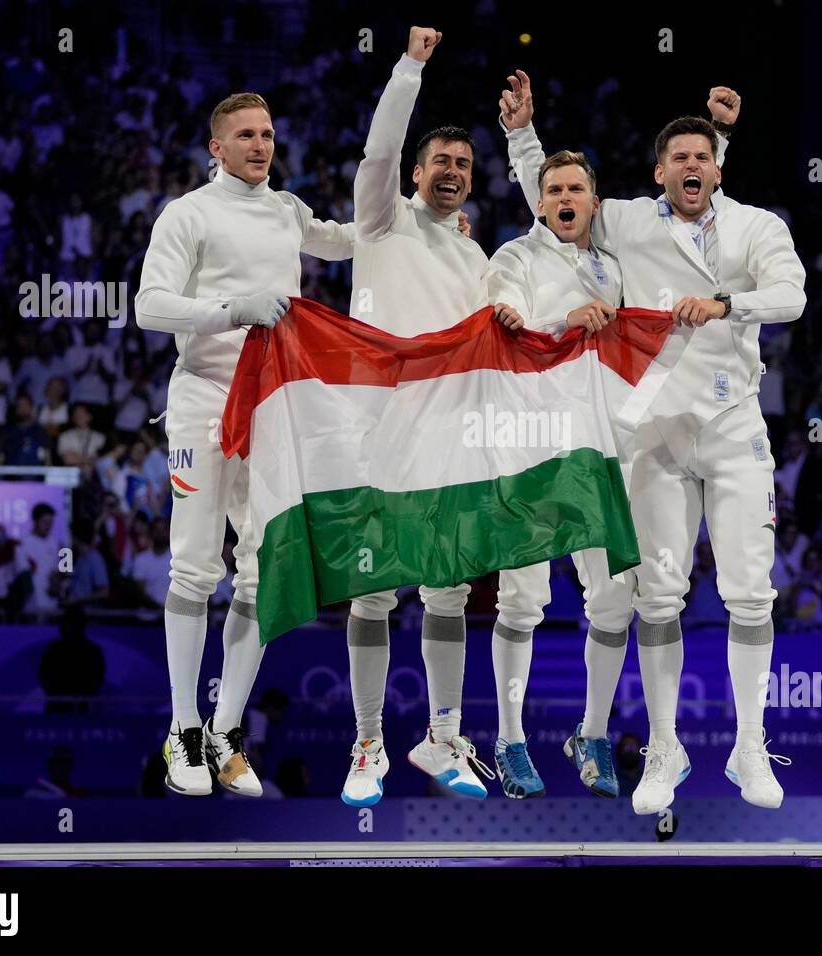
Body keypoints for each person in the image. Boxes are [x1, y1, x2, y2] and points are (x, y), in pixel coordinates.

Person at [504, 73, 806, 814]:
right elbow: (558, 204)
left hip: (734, 430)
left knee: (749, 592)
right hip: (655, 434)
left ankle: (747, 746)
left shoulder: (756, 228)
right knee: (659, 596)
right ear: (658, 172)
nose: (692, 166)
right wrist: (520, 137)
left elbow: (792, 295)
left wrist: (727, 303)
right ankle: (665, 748)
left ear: (719, 164)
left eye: (704, 155)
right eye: (679, 158)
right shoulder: (631, 222)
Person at [136, 89, 356, 799]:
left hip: (269, 406)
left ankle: (227, 731)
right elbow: (148, 304)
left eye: (267, 133)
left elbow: (348, 239)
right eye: (246, 135)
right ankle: (181, 731)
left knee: (266, 568)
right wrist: (230, 310)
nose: (261, 144)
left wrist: (423, 219)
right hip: (203, 400)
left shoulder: (288, 210)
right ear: (217, 148)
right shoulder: (188, 214)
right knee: (196, 569)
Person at [339, 28, 494, 808]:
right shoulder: (381, 219)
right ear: (416, 173)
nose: (454, 174)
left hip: (449, 442)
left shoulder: (473, 254)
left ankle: (440, 736)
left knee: (447, 595)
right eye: (442, 163)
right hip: (376, 433)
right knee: (372, 593)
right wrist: (411, 68)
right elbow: (377, 152)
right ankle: (369, 740)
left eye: (465, 166)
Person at [480, 148, 632, 799]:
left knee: (617, 600)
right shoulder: (513, 259)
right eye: (554, 189)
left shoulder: (614, 266)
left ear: (592, 202)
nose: (566, 198)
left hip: (598, 450)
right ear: (538, 201)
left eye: (576, 188)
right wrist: (557, 321)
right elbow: (501, 326)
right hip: (528, 449)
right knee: (521, 602)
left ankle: (590, 733)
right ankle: (510, 740)